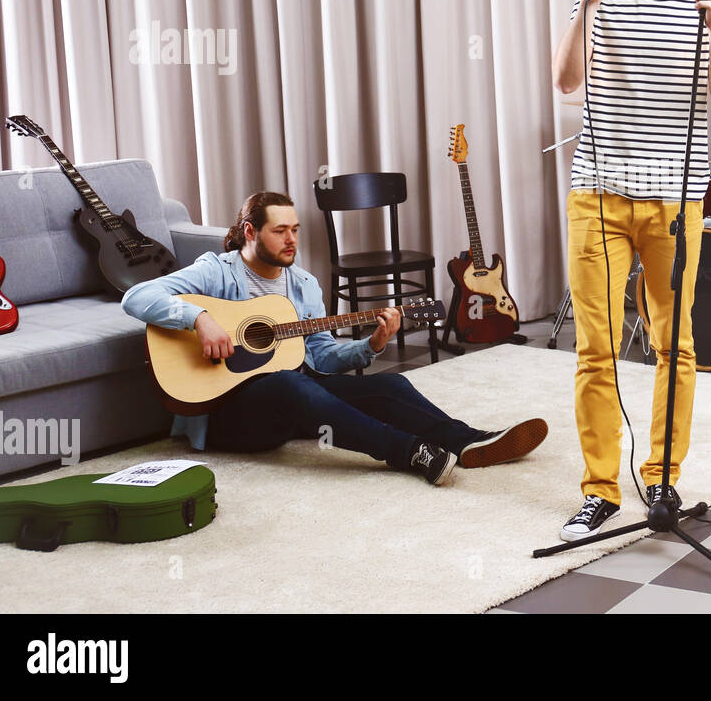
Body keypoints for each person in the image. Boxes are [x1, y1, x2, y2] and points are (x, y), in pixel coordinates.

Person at [551, 0, 711, 541]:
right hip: (597, 194)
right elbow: (566, 81)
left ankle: (662, 475)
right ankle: (600, 488)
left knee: (674, 345)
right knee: (596, 347)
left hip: (673, 199)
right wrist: (584, 5)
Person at [122, 191, 547, 484]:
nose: (291, 240)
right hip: (227, 416)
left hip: (292, 403)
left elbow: (322, 357)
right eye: (279, 231)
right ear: (250, 232)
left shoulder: (303, 284)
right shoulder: (218, 270)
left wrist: (373, 345)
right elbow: (138, 295)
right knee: (291, 382)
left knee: (389, 384)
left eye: (295, 229)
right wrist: (200, 319)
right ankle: (410, 452)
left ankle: (468, 441)